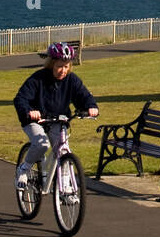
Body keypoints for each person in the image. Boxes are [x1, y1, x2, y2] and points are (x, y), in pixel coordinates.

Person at [14, 43, 99, 186]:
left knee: (64, 152)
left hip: (58, 120)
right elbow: (21, 98)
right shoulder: (38, 78)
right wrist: (29, 111)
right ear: (51, 64)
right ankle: (24, 168)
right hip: (35, 120)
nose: (63, 70)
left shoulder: (72, 80)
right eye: (59, 66)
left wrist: (91, 107)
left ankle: (65, 188)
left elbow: (83, 95)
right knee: (42, 145)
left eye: (66, 67)